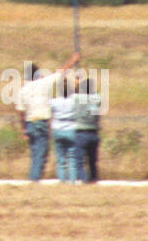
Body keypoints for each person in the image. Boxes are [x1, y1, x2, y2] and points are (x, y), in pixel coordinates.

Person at [15, 50, 80, 181]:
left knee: (35, 153)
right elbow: (61, 72)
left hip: (30, 124)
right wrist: (73, 61)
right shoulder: (43, 83)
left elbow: (20, 112)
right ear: (37, 74)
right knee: (41, 153)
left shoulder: (22, 90)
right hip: (41, 122)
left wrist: (23, 129)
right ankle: (34, 180)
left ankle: (33, 178)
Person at [48, 69, 78, 183]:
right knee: (72, 159)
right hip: (71, 129)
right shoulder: (74, 100)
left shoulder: (54, 101)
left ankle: (62, 180)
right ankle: (72, 181)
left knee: (61, 159)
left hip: (58, 129)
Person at [72, 73, 102, 183]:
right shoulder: (97, 99)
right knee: (92, 160)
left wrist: (77, 83)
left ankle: (84, 180)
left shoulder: (77, 98)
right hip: (94, 132)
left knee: (78, 160)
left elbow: (73, 94)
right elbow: (98, 95)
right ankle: (94, 179)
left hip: (80, 132)